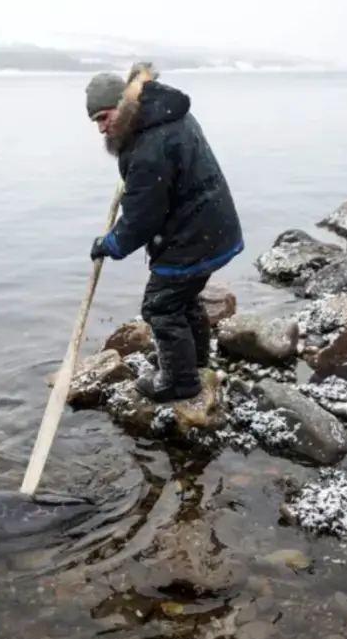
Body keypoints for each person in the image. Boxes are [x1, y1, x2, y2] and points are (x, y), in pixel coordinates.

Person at [84, 63, 244, 403]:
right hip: (212, 228)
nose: (101, 129)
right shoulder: (162, 116)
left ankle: (181, 381)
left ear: (121, 105)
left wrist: (110, 243)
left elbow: (142, 217)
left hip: (192, 238)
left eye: (103, 117)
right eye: (96, 121)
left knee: (160, 306)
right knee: (182, 299)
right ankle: (195, 361)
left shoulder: (147, 146)